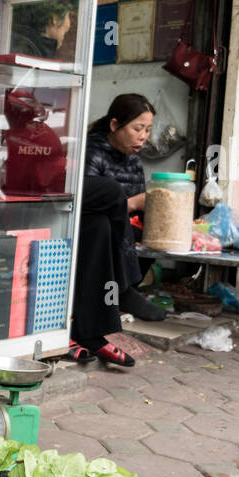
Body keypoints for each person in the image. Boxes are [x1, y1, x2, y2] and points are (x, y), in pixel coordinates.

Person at [83, 94, 166, 322]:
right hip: (92, 228)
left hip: (124, 224)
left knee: (153, 235)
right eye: (138, 128)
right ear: (114, 125)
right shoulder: (91, 153)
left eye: (147, 130)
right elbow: (85, 205)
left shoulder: (134, 161)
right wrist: (133, 204)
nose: (143, 137)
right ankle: (120, 294)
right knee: (112, 226)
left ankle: (120, 295)